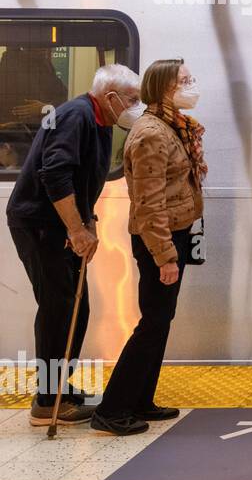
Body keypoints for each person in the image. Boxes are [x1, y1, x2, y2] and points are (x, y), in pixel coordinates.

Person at [6, 63, 141, 427]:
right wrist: (76, 230)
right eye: (132, 100)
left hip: (55, 224)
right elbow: (55, 172)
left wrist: (88, 221)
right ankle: (48, 402)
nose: (135, 107)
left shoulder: (99, 121)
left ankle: (58, 389)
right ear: (111, 97)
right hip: (39, 224)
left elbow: (81, 180)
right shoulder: (76, 116)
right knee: (58, 308)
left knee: (73, 308)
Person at [91, 60, 205, 436]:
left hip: (174, 235)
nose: (192, 85)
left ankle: (141, 399)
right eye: (184, 81)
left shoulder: (173, 127)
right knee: (152, 323)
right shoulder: (152, 134)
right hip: (160, 239)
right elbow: (148, 203)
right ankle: (112, 409)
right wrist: (165, 256)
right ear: (163, 90)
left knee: (160, 321)